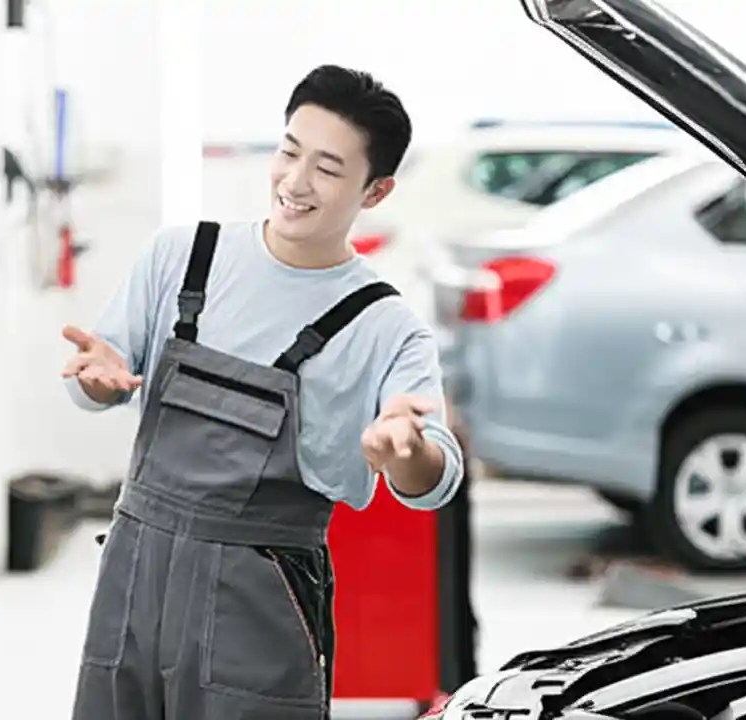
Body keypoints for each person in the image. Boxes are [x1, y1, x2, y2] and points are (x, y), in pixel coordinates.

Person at [61, 64, 465, 719]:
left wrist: (407, 453)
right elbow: (96, 379)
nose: (296, 181)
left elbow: (434, 481)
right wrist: (96, 385)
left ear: (377, 190)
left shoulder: (385, 326)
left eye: (328, 169)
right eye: (289, 151)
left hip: (259, 597)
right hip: (136, 574)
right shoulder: (182, 257)